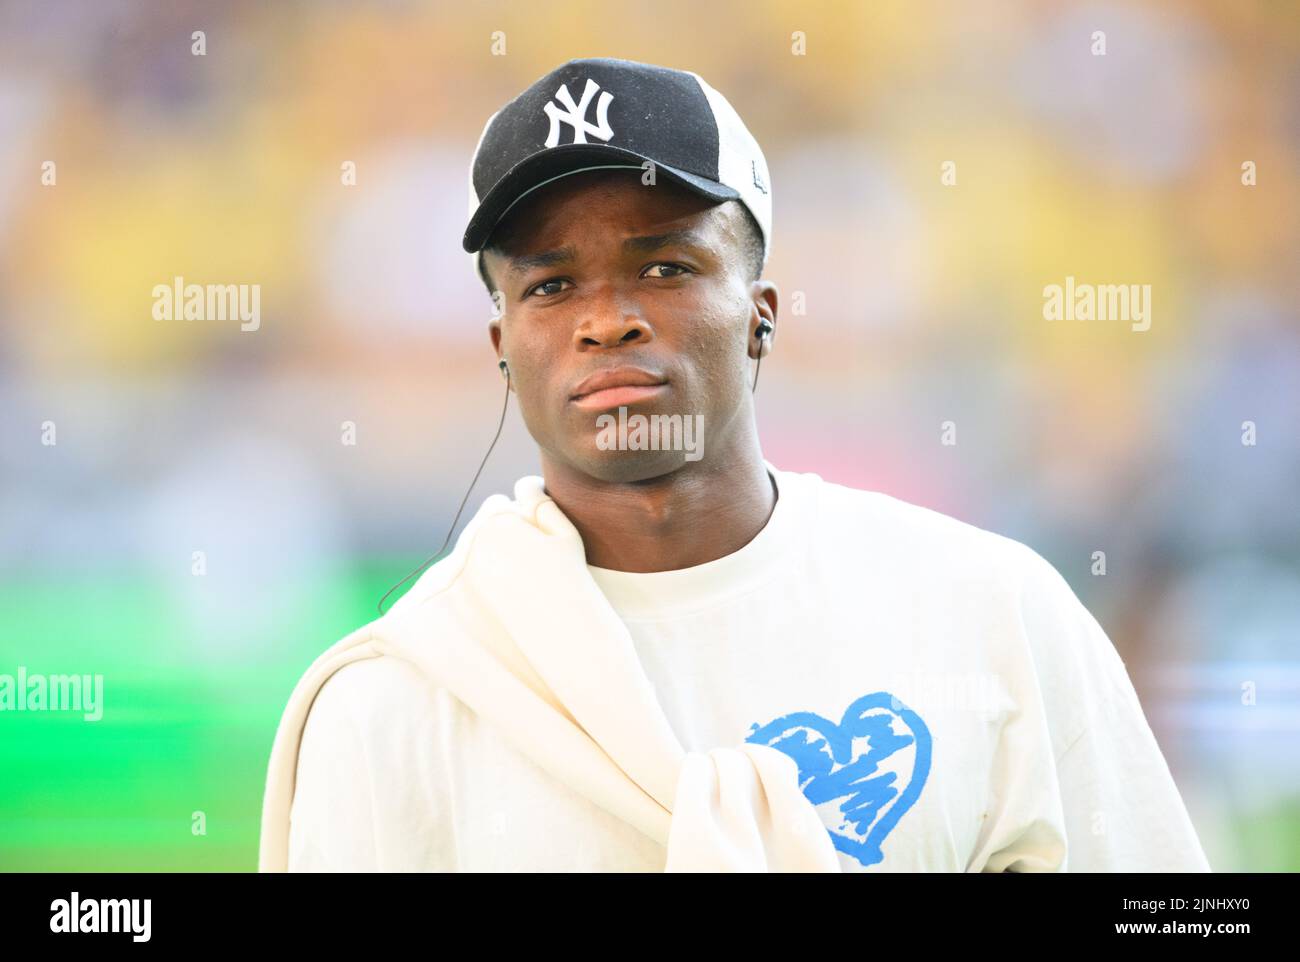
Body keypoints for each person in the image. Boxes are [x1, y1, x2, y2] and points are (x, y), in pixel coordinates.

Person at [258, 57, 1211, 873]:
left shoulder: (991, 613)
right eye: (551, 284)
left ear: (762, 313)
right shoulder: (403, 699)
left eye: (665, 267)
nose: (606, 318)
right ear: (501, 343)